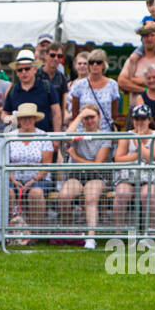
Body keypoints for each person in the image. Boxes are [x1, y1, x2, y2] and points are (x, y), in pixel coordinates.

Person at [59, 106, 113, 248]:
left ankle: (91, 237)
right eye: (86, 118)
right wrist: (79, 115)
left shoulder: (105, 136)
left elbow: (97, 165)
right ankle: (68, 233)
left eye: (92, 117)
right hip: (76, 175)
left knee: (91, 197)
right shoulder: (79, 134)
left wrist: (75, 156)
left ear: (99, 117)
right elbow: (66, 137)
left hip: (96, 176)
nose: (89, 121)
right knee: (64, 195)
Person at [113, 104, 155, 228]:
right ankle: (118, 232)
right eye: (137, 119)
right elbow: (118, 159)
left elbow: (153, 157)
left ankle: (150, 231)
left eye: (143, 119)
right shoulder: (126, 135)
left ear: (149, 120)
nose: (140, 122)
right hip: (128, 177)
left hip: (151, 178)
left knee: (147, 194)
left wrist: (138, 142)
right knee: (121, 193)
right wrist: (139, 155)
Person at [6, 103, 54, 231]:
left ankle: (35, 231)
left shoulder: (44, 136)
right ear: (19, 120)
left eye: (30, 118)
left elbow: (47, 165)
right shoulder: (9, 137)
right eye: (23, 118)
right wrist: (13, 180)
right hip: (13, 179)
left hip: (39, 179)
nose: (27, 121)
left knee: (36, 192)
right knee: (8, 192)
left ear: (35, 119)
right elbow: (5, 161)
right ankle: (12, 230)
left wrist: (32, 181)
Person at [3, 49, 62, 132]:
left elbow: (56, 113)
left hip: (45, 139)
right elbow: (4, 113)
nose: (23, 72)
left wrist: (56, 137)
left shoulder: (46, 86)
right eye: (20, 70)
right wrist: (11, 120)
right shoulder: (13, 90)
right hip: (19, 140)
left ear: (34, 69)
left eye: (27, 69)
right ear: (17, 72)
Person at [67, 49, 121, 130]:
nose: (95, 65)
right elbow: (75, 113)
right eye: (91, 62)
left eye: (98, 62)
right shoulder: (79, 85)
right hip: (83, 131)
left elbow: (114, 114)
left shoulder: (112, 84)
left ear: (103, 65)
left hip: (105, 132)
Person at [118, 23, 155, 97]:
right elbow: (122, 82)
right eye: (145, 36)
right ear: (142, 38)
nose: (149, 39)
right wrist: (145, 90)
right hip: (134, 107)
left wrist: (134, 80)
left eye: (152, 35)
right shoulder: (133, 60)